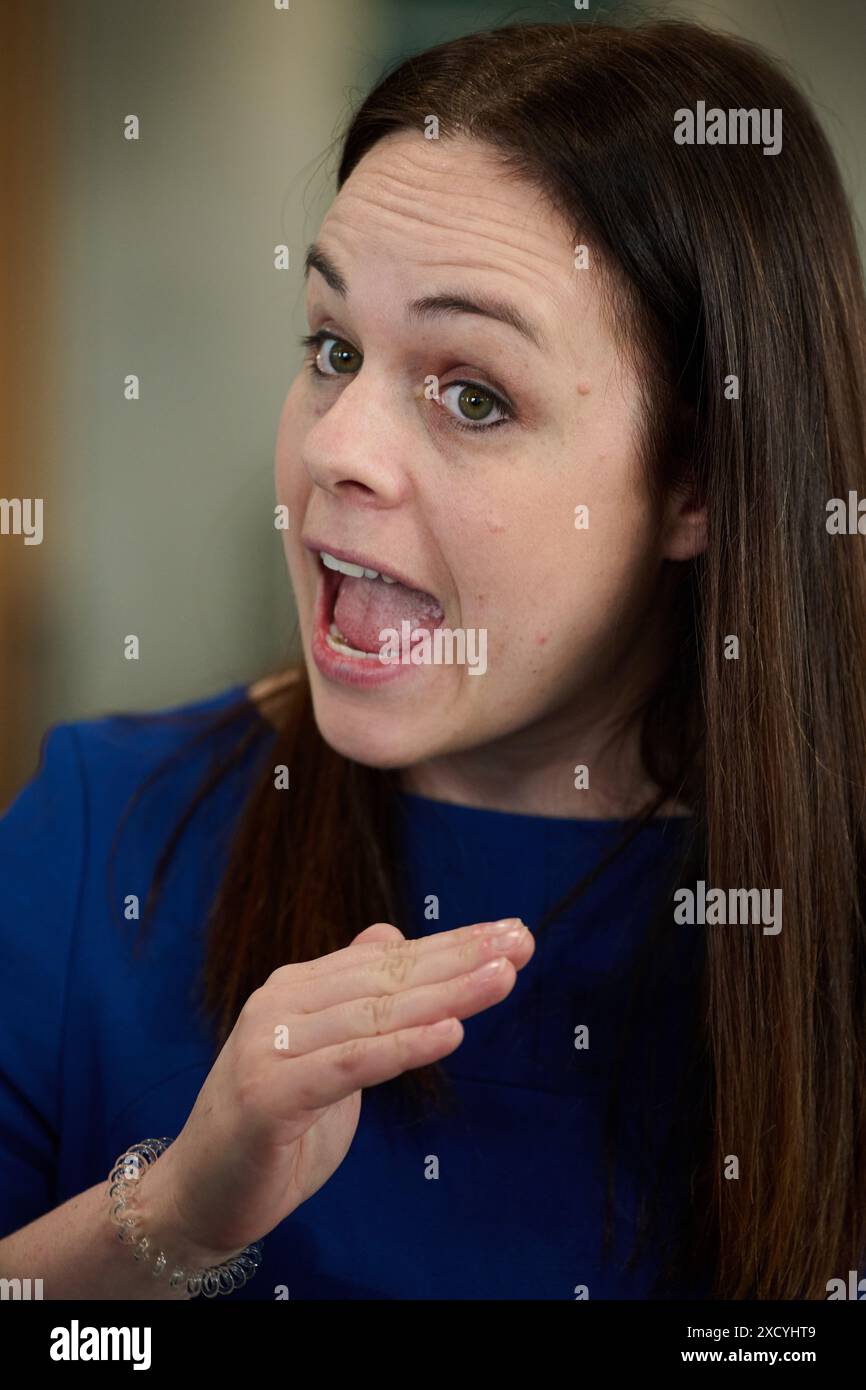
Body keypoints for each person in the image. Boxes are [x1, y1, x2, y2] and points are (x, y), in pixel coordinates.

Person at [1, 18, 865, 1301]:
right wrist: (173, 1217)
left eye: (472, 394)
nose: (332, 447)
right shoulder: (100, 832)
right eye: (333, 349)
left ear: (695, 482)